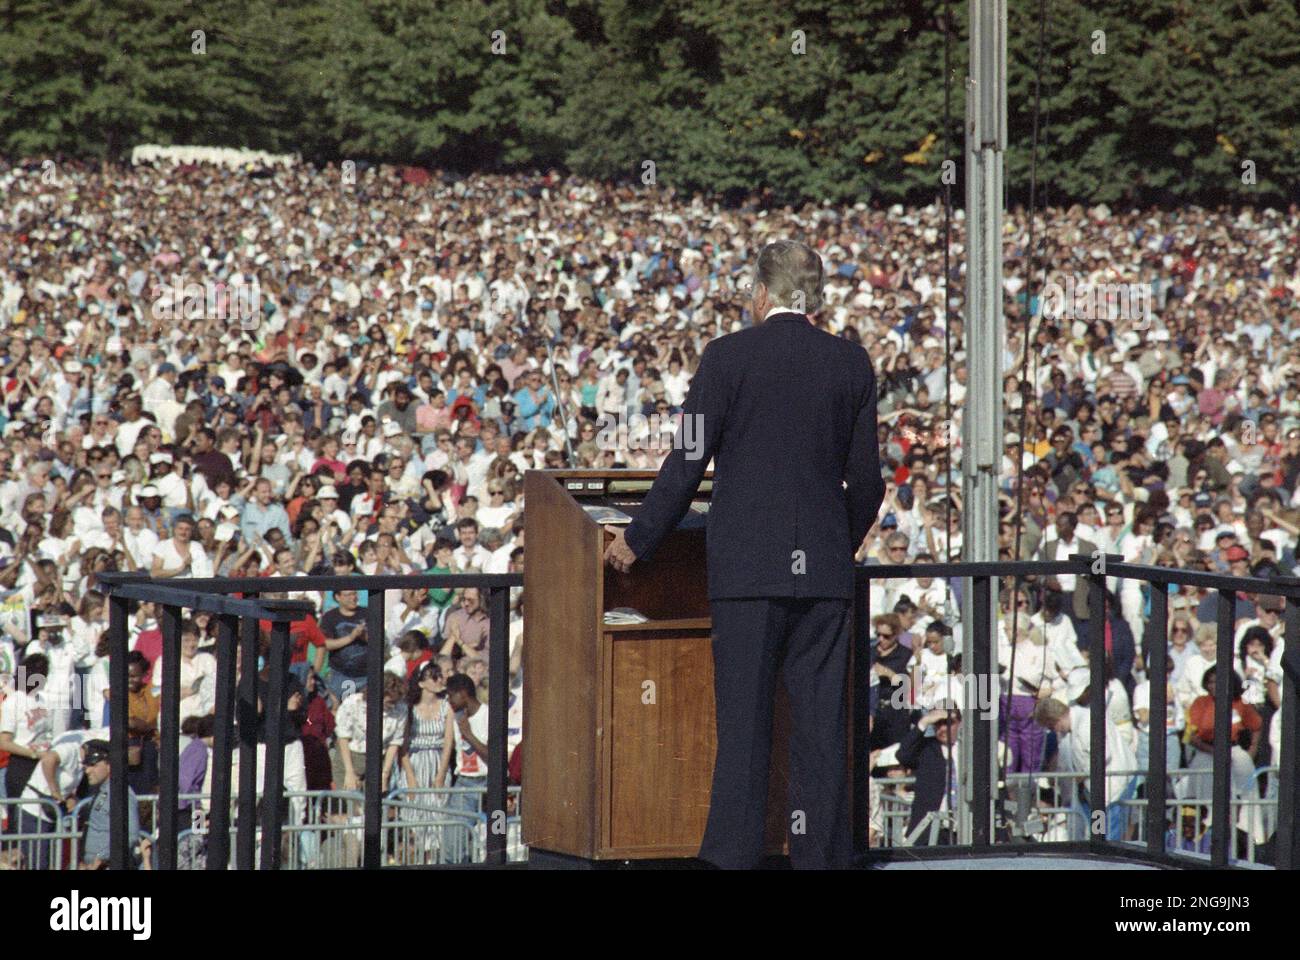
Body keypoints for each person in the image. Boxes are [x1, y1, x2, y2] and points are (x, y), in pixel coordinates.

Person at [604, 239, 885, 869]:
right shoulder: (852, 364)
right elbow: (867, 482)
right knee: (820, 728)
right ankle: (822, 859)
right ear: (812, 296)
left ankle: (732, 858)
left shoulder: (727, 357)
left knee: (746, 727)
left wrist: (636, 539)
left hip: (746, 573)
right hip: (824, 575)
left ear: (762, 293)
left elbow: (686, 464)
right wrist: (835, 543)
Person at [79, 738, 143, 869]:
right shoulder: (102, 790)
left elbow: (130, 834)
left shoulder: (119, 793)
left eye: (93, 765)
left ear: (109, 765)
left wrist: (102, 857)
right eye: (86, 766)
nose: (87, 771)